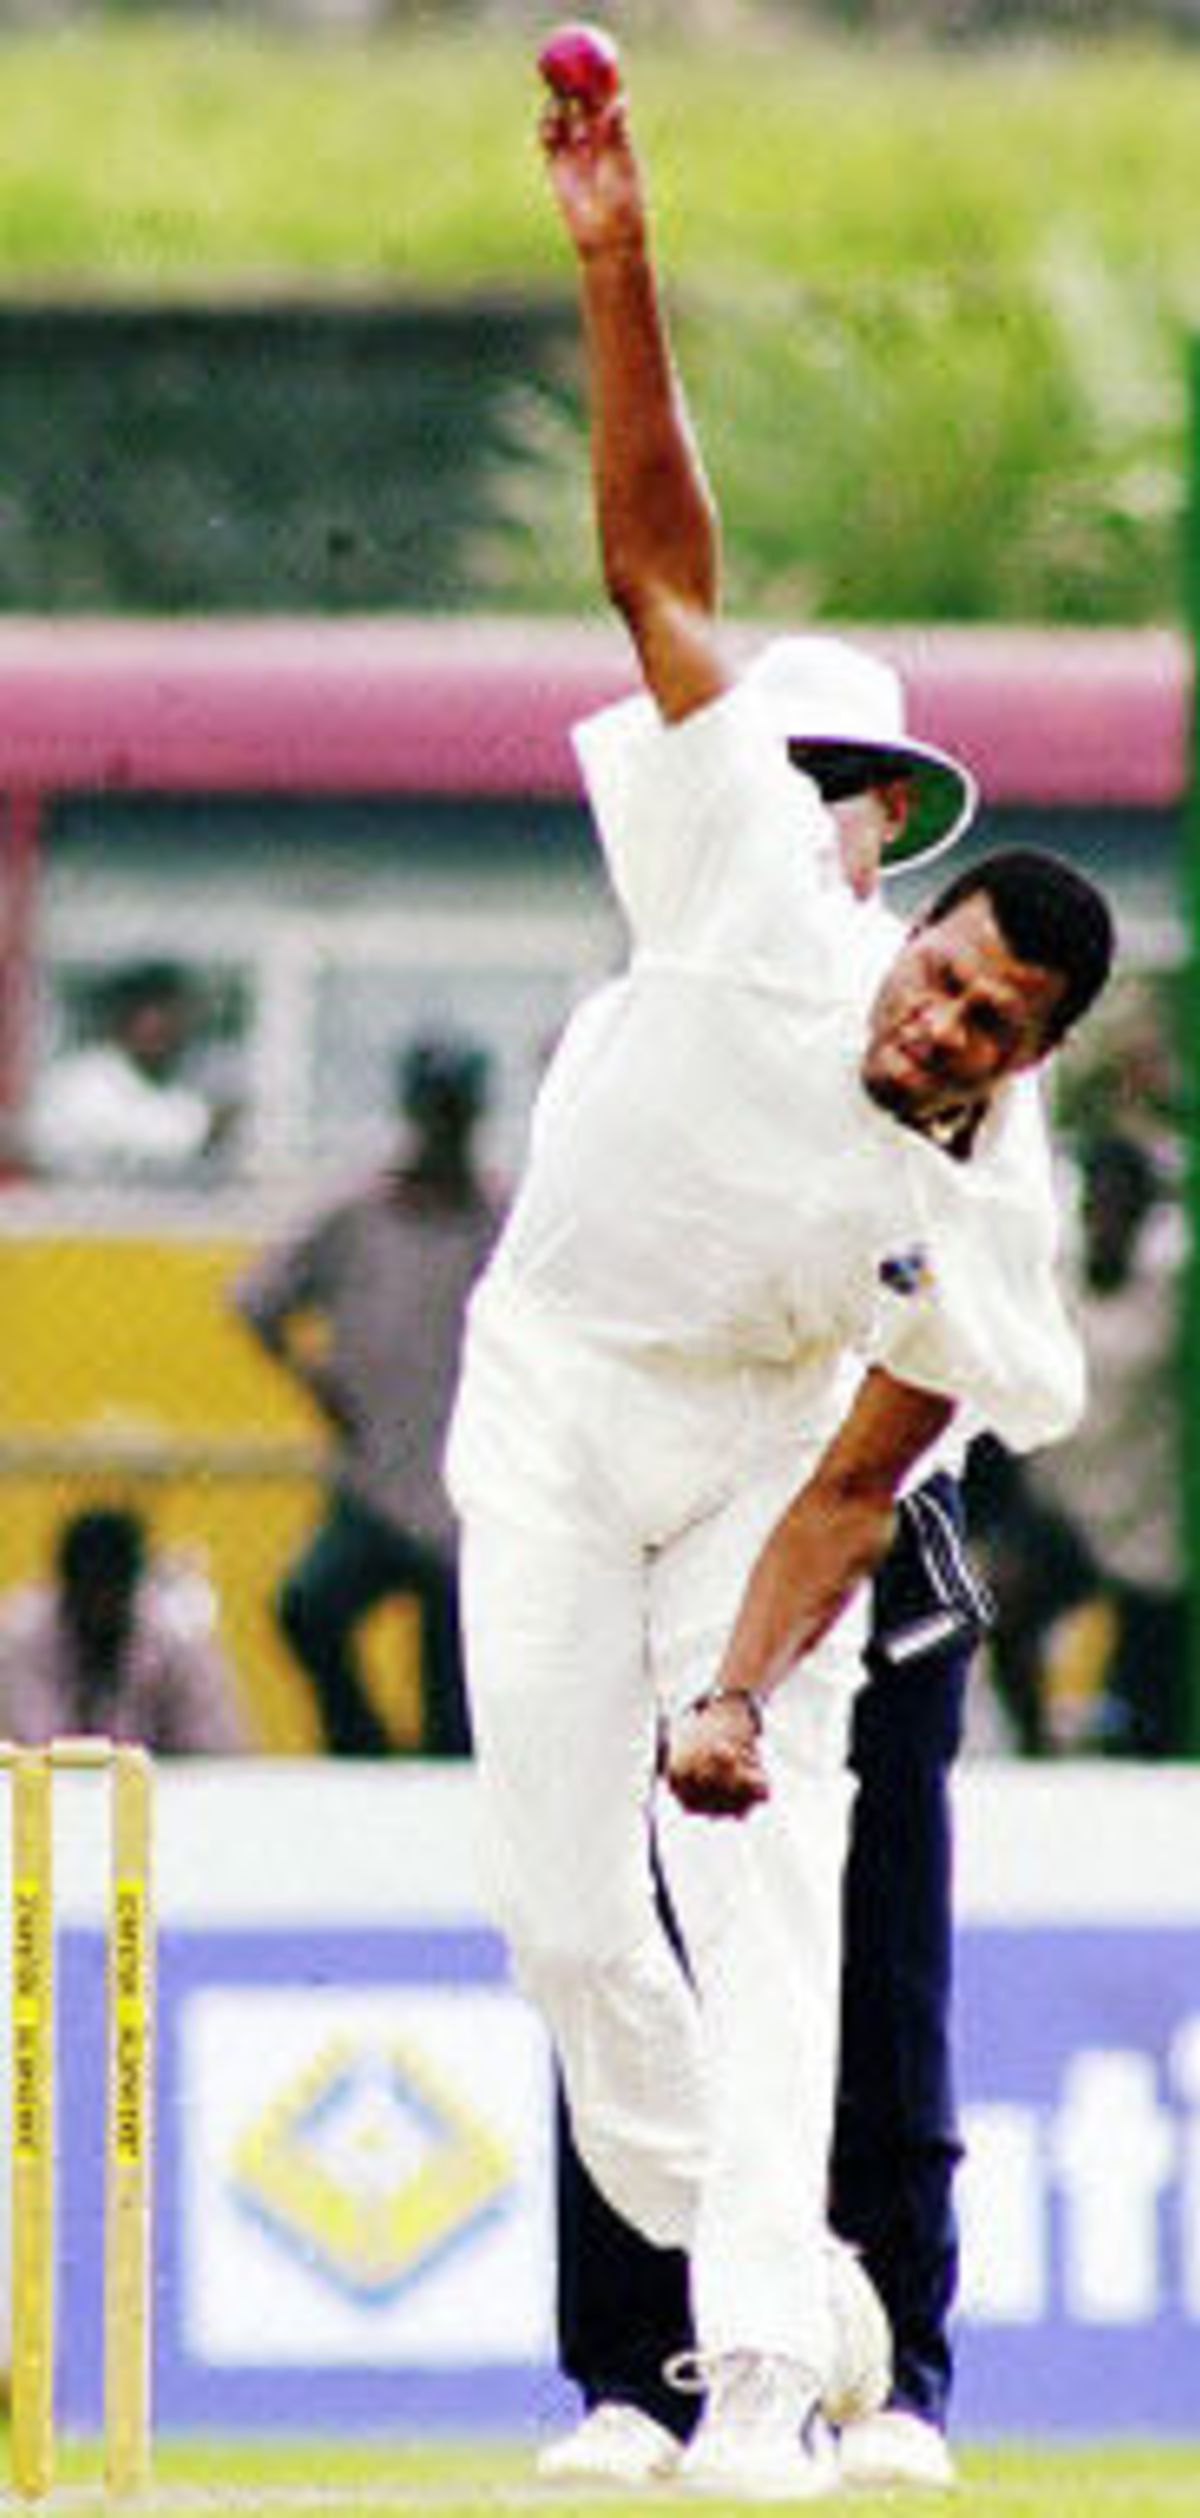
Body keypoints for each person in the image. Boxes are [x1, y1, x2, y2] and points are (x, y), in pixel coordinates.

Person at [444, 49, 1113, 2504]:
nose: (935, 1017)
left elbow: (884, 1441)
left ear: (1014, 1050)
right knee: (557, 1916)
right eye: (937, 971)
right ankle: (784, 2295)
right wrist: (615, 260)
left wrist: (739, 1679)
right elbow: (657, 564)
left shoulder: (987, 1209)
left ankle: (758, 2386)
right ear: (908, 928)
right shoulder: (751, 881)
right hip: (547, 1399)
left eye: (984, 1027)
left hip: (755, 1454)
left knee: (767, 1878)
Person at [231, 1030, 500, 1757]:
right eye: (435, 1112)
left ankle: (439, 1800)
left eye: (458, 1113)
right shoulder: (357, 1212)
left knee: (455, 1683)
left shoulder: (501, 1214)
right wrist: (314, 1377)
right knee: (308, 1607)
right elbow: (255, 1299)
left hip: (471, 1485)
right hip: (373, 1478)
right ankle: (361, 1747)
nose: (445, 1129)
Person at [0, 1504, 246, 1752]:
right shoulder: (22, 1636)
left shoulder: (180, 1638)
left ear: (135, 1586)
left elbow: (217, 1752)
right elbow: (33, 1745)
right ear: (64, 1587)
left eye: (111, 1593)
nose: (100, 1607)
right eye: (89, 1593)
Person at [29, 957, 236, 1186]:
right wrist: (211, 1124)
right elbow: (156, 1135)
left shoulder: (200, 1073)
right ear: (122, 1018)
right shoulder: (81, 1082)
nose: (164, 1025)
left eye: (173, 1012)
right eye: (149, 1014)